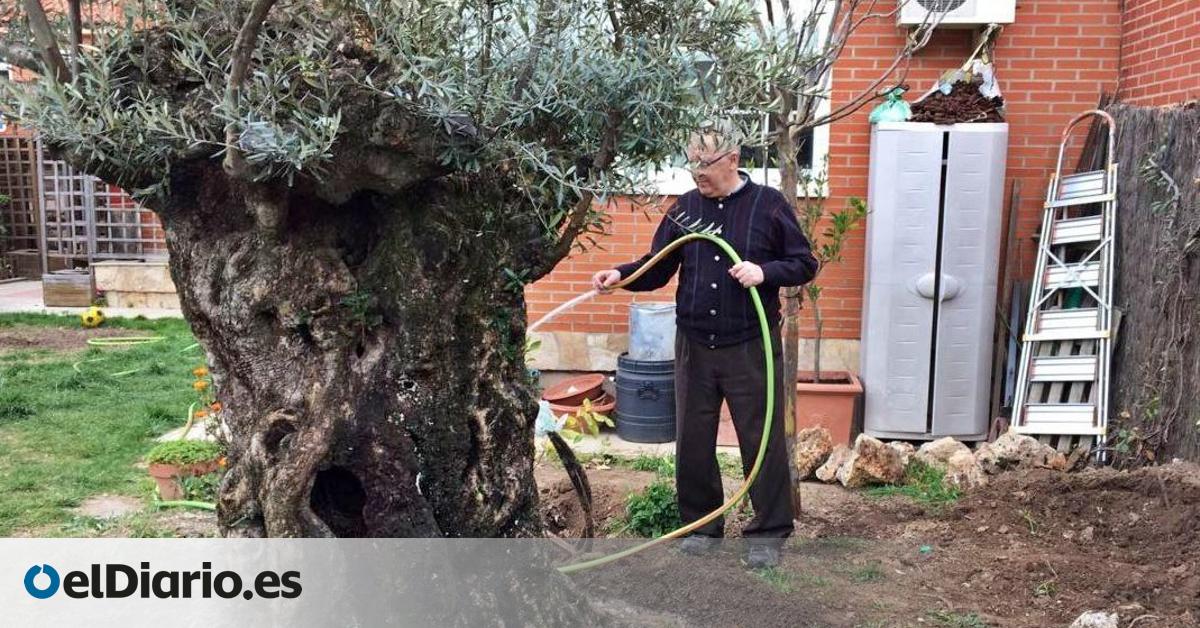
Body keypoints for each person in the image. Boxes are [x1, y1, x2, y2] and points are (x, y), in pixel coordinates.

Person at [592, 121, 819, 569]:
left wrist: (764, 273)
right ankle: (702, 527)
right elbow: (657, 267)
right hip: (695, 344)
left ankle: (767, 535)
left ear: (733, 159)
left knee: (761, 439)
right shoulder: (685, 209)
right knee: (693, 439)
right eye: (692, 160)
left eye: (706, 161)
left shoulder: (767, 206)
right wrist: (621, 275)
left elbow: (804, 262)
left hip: (749, 343)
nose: (697, 170)